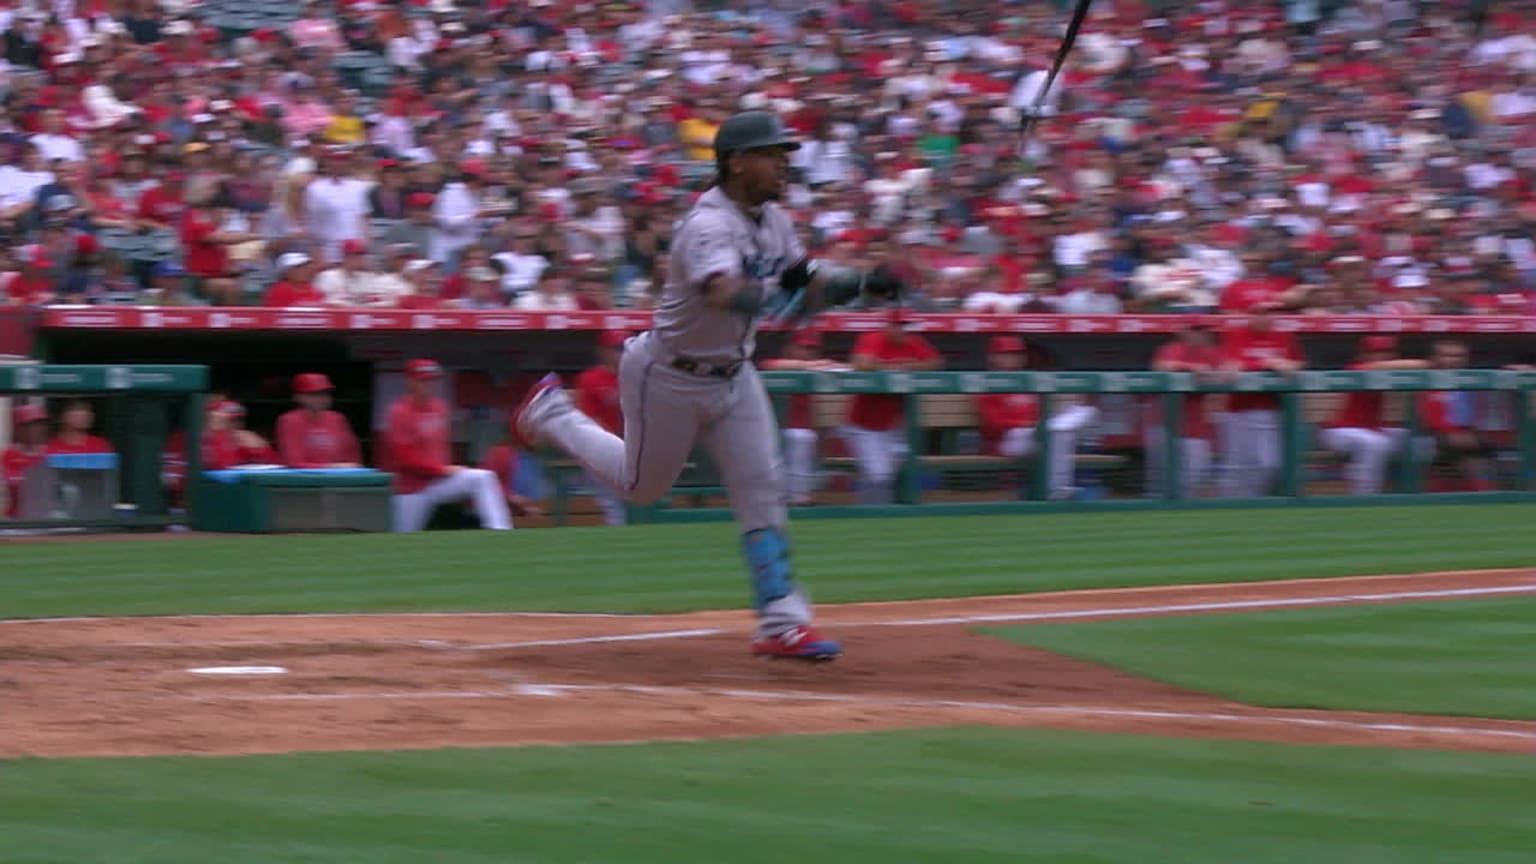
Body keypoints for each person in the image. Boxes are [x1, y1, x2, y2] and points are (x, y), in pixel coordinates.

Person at [512, 111, 901, 660]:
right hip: (669, 374)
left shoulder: (773, 220)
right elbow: (723, 292)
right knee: (642, 487)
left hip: (734, 375)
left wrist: (858, 282)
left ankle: (781, 622)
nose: (783, 166)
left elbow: (800, 279)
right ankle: (555, 413)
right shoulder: (707, 223)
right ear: (737, 162)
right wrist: (784, 300)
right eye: (771, 156)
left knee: (762, 487)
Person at [383, 358, 512, 532]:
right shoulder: (399, 412)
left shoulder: (439, 407)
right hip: (411, 489)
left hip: (438, 482)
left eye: (432, 380)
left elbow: (440, 450)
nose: (429, 385)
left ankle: (500, 532)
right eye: (423, 380)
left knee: (482, 478)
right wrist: (441, 469)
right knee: (401, 539)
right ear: (410, 381)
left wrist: (445, 471)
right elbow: (405, 458)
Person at [975, 336, 1100, 501]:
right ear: (993, 357)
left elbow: (1039, 415)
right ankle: (1057, 488)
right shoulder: (985, 383)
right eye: (1006, 354)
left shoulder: (1028, 382)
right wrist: (1030, 425)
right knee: (1057, 430)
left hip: (1034, 436)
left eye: (1017, 354)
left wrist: (1037, 426)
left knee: (1060, 431)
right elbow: (993, 426)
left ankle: (1059, 488)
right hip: (1004, 442)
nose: (1014, 359)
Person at [844, 307, 942, 505]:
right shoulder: (873, 338)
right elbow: (860, 364)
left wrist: (912, 366)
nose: (901, 330)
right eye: (897, 325)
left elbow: (936, 362)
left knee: (891, 471)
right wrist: (894, 366)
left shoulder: (913, 342)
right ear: (887, 326)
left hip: (893, 426)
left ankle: (880, 512)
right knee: (879, 475)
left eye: (905, 325)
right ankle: (872, 515)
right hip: (864, 425)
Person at [1218, 294, 1305, 498]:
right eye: (1262, 312)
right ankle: (1229, 509)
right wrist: (1269, 364)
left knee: (1270, 464)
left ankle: (1253, 503)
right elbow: (1228, 371)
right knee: (1237, 465)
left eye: (1271, 312)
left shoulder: (1284, 337)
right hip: (1239, 411)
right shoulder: (1236, 334)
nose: (1267, 317)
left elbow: (1297, 366)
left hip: (1271, 410)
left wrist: (1286, 366)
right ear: (1251, 315)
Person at [1319, 335, 1429, 495]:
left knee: (1419, 443)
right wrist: (1409, 364)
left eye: (1387, 352)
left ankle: (1411, 492)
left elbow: (1421, 368)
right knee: (1375, 444)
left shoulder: (1389, 374)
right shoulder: (1355, 369)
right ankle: (1364, 497)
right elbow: (1415, 364)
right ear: (1363, 354)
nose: (1383, 356)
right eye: (1377, 352)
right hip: (1338, 432)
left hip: (1370, 429)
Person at [761, 328, 849, 506]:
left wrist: (831, 366)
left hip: (799, 432)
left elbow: (849, 370)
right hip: (767, 431)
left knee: (804, 438)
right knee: (801, 438)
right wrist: (812, 366)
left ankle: (798, 497)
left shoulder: (820, 370)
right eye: (802, 347)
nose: (807, 353)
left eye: (812, 349)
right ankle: (796, 497)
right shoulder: (775, 364)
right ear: (789, 348)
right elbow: (768, 365)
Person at [1146, 324, 1222, 498]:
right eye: (1193, 329)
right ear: (1182, 332)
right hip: (1163, 424)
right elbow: (1161, 367)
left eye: (1202, 330)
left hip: (1195, 428)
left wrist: (1210, 376)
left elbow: (1224, 376)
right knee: (1160, 480)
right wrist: (1190, 367)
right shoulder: (1171, 349)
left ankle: (1182, 518)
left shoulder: (1213, 353)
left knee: (1193, 478)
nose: (1198, 334)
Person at [1418, 340, 1496, 492]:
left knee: (1475, 455)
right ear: (1435, 358)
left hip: (1465, 439)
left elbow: (1475, 422)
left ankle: (1487, 500)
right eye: (1447, 355)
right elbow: (1425, 423)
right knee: (1459, 450)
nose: (1453, 360)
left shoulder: (1471, 382)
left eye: (1459, 356)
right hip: (1429, 437)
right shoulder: (1425, 379)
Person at [571, 330, 631, 526]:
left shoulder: (636, 377)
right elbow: (587, 420)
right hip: (599, 449)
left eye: (625, 348)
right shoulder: (590, 379)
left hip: (630, 449)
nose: (623, 353)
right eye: (617, 349)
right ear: (603, 352)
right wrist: (615, 443)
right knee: (612, 504)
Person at [276, 373, 361, 468]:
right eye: (314, 394)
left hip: (339, 479)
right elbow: (293, 463)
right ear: (298, 397)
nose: (322, 398)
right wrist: (333, 467)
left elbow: (353, 458)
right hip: (305, 479)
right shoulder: (288, 421)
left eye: (325, 394)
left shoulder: (338, 419)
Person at [202, 401, 280, 470]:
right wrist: (219, 434)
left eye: (239, 420)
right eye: (230, 421)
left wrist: (262, 448)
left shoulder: (243, 443)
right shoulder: (201, 440)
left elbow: (276, 467)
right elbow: (221, 469)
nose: (237, 425)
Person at [3, 403, 48, 517]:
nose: (34, 429)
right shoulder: (6, 456)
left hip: (45, 521)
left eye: (39, 424)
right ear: (18, 428)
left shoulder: (49, 454)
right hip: (16, 524)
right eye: (28, 425)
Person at [47, 399, 113, 454]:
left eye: (88, 410)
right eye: (77, 409)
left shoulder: (100, 445)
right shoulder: (49, 446)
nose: (85, 414)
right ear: (62, 416)